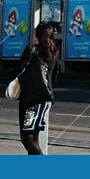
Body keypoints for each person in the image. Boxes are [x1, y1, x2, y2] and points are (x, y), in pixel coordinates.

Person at [15, 22, 60, 155]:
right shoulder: (54, 52)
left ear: (38, 35)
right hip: (46, 98)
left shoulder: (31, 50)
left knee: (26, 137)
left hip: (31, 99)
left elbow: (18, 70)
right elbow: (54, 76)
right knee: (34, 136)